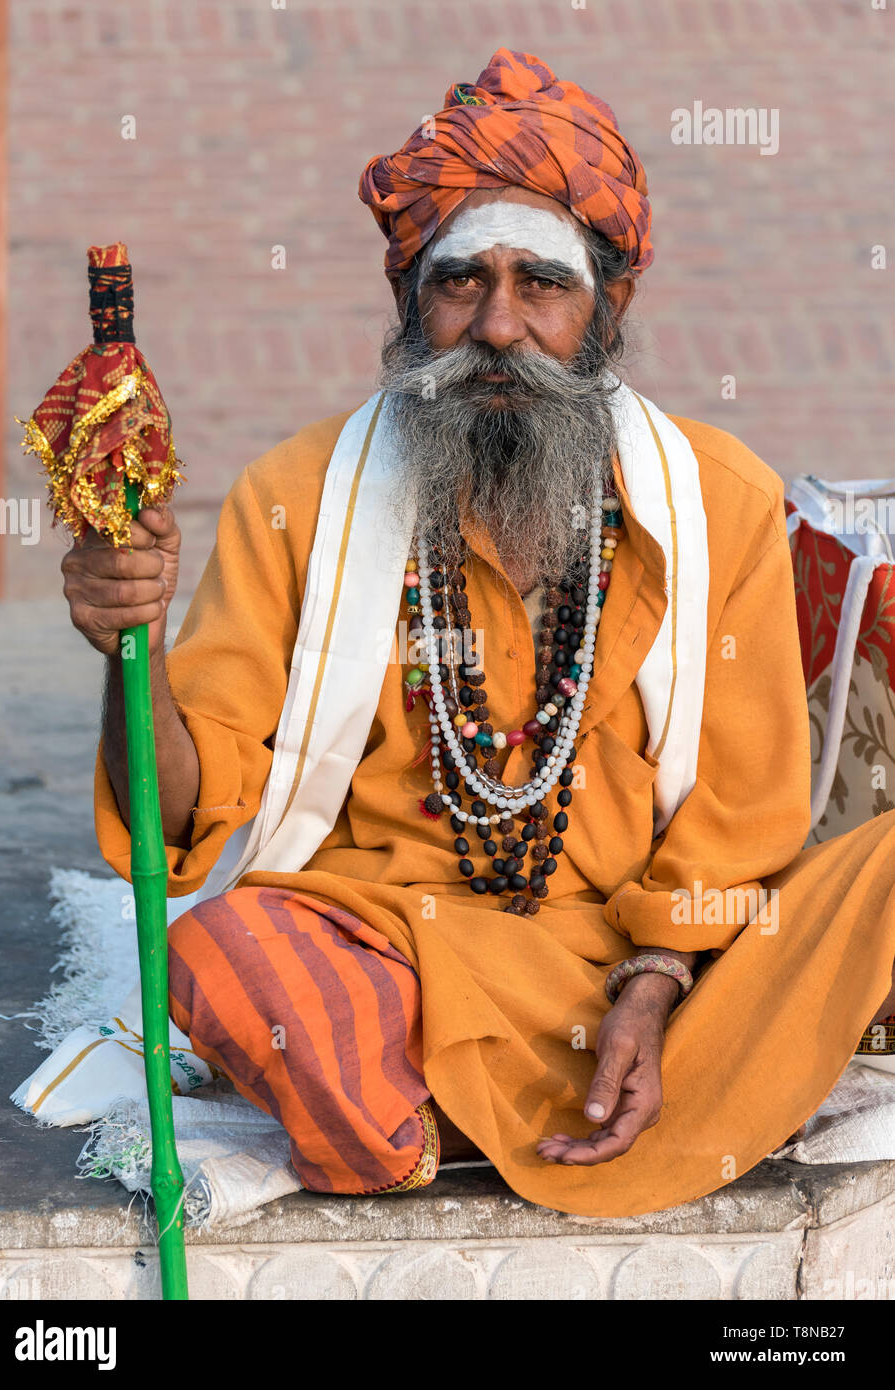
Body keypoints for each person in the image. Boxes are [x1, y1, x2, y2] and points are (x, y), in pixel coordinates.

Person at [61, 47, 895, 1217]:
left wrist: (654, 989)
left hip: (640, 963)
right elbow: (187, 812)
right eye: (461, 283)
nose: (498, 326)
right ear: (411, 300)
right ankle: (679, 1098)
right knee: (226, 957)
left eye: (540, 285)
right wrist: (127, 652)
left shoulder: (721, 496)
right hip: (394, 945)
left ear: (611, 303)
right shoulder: (295, 493)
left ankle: (464, 1110)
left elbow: (744, 816)